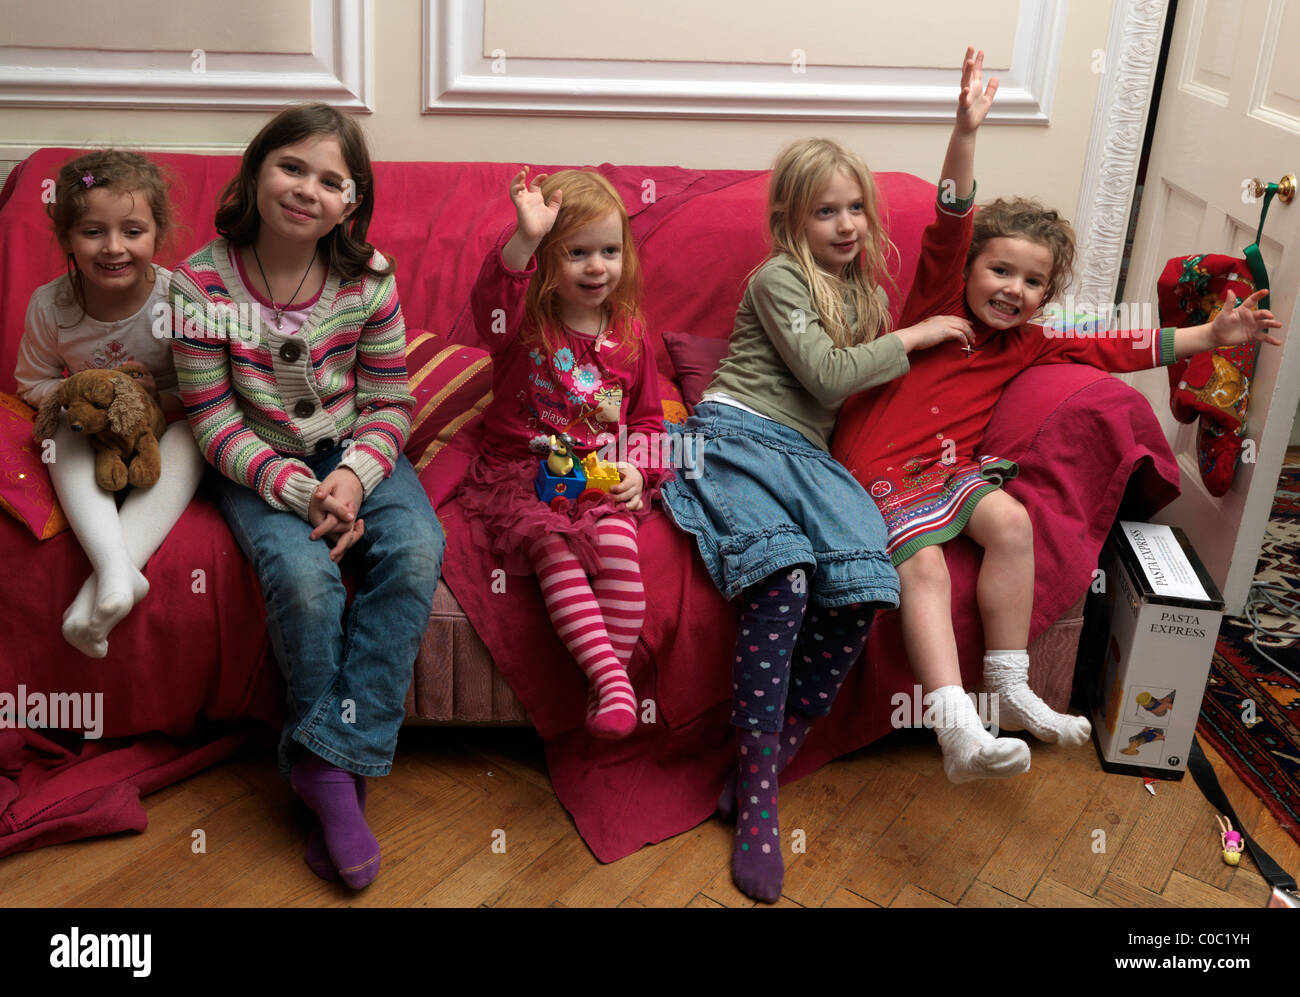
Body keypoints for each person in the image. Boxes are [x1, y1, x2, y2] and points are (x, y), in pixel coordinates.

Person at [834, 49, 1282, 783]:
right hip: (874, 472)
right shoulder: (936, 303)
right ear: (971, 269)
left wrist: (1212, 337)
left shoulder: (1031, 341)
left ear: (1047, 294)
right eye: (1000, 270)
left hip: (943, 471)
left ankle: (1010, 687)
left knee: (1012, 521)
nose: (1013, 290)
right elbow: (951, 217)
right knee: (922, 565)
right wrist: (965, 129)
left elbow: (1120, 345)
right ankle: (955, 728)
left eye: (1033, 281)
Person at [659, 126, 975, 901]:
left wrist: (965, 134)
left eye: (854, 207)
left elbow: (945, 253)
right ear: (790, 223)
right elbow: (830, 377)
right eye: (823, 212)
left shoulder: (865, 295)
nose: (844, 224)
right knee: (786, 578)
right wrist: (919, 331)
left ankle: (771, 755)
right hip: (734, 433)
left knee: (866, 586)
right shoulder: (777, 280)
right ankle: (760, 782)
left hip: (810, 459)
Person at [169, 103, 444, 889]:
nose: (306, 190)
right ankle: (337, 783)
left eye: (332, 181)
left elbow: (391, 400)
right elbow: (211, 418)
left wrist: (354, 476)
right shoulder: (197, 284)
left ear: (351, 204)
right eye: (292, 167)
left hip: (358, 453)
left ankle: (327, 759)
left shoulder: (369, 279)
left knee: (420, 547)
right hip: (257, 461)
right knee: (303, 578)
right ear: (257, 169)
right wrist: (297, 489)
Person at [457, 167, 667, 740]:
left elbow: (648, 418)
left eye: (609, 250)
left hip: (596, 475)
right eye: (577, 252)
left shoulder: (630, 333)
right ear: (548, 260)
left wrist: (636, 468)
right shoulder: (522, 324)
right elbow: (491, 302)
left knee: (620, 544)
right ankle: (613, 682)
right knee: (552, 546)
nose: (597, 266)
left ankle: (607, 685)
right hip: (524, 472)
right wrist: (524, 238)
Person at [16, 150, 206, 659]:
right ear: (67, 240)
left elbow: (206, 386)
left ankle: (102, 591)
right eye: (93, 231)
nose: (114, 248)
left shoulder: (177, 298)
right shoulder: (50, 305)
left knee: (196, 437)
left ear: (157, 234)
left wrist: (159, 400)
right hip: (90, 433)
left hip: (161, 431)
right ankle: (116, 571)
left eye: (133, 231)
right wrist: (79, 395)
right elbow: (31, 382)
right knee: (59, 432)